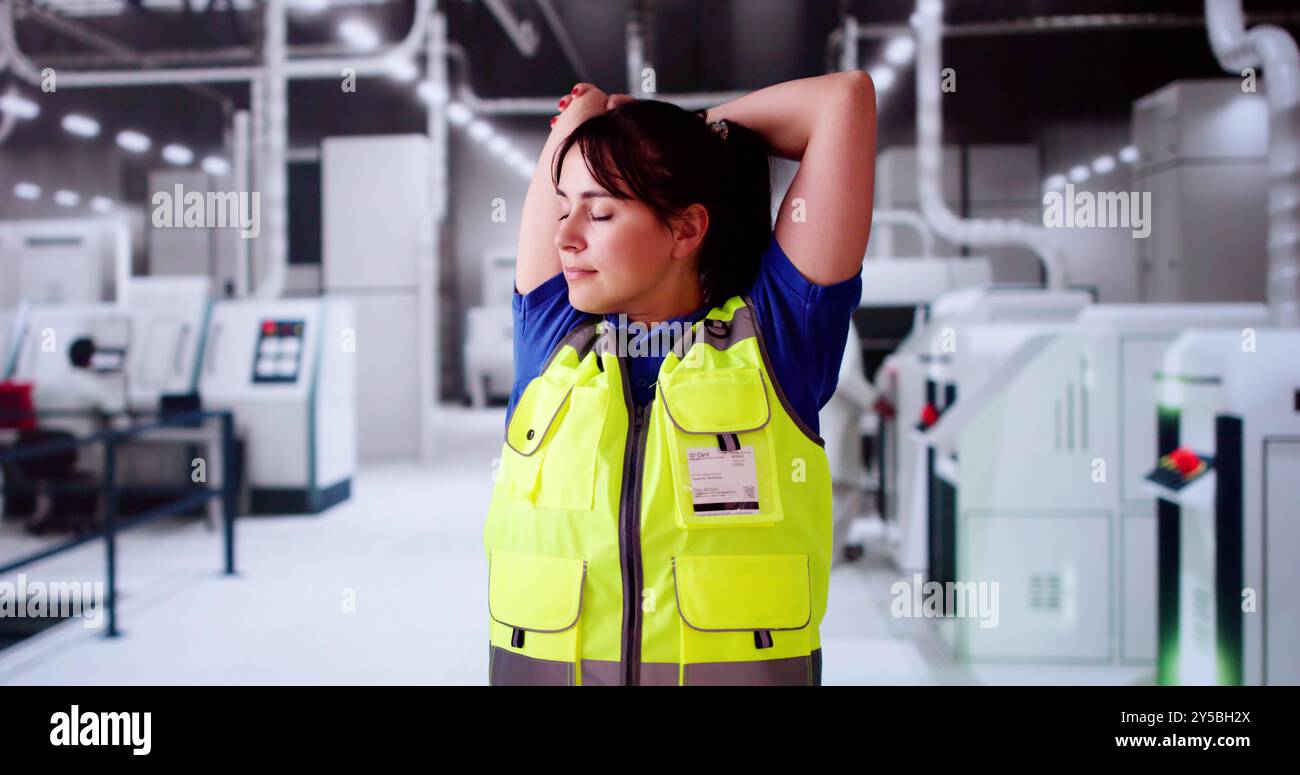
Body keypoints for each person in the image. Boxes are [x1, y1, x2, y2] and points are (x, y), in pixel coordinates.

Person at [484, 73, 876, 686]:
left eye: (602, 211)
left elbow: (842, 100)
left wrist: (690, 134)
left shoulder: (774, 336)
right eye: (564, 208)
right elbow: (580, 113)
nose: (565, 235)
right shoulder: (553, 334)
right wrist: (628, 132)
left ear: (686, 229)